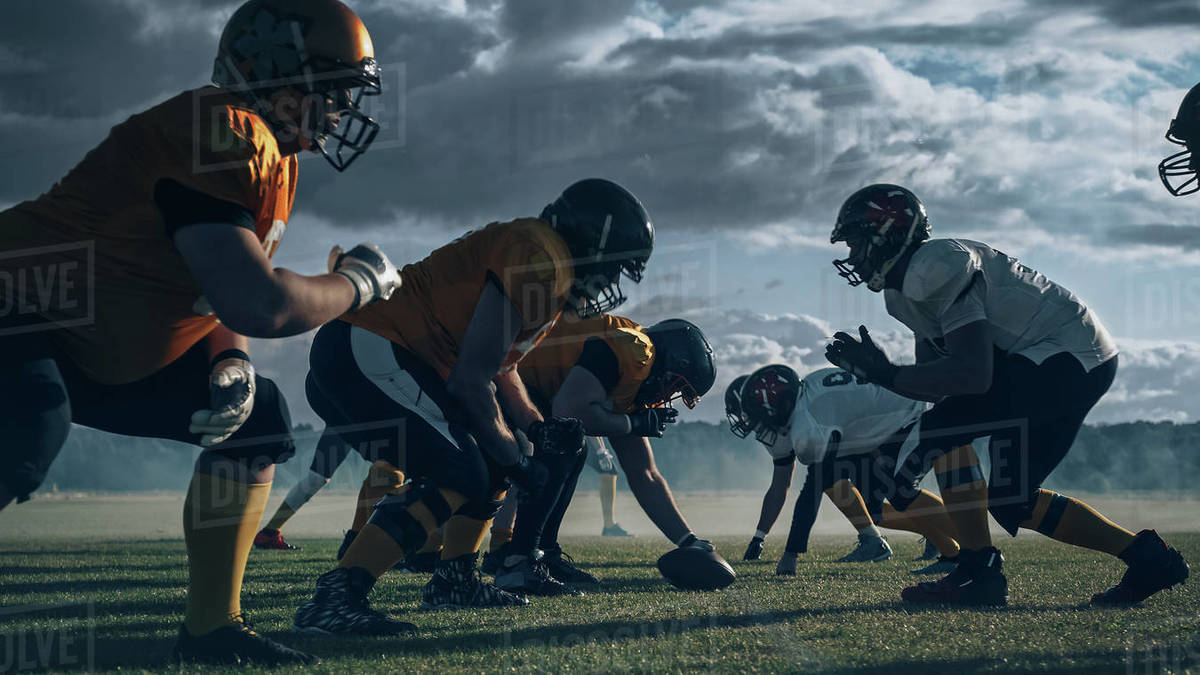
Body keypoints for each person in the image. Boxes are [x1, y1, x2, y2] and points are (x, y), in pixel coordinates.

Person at [0, 0, 402, 665]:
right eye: (330, 87)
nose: (338, 107)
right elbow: (260, 303)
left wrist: (230, 365)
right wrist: (358, 281)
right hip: (20, 300)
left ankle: (212, 626)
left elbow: (216, 290)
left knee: (258, 417)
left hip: (87, 334)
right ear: (271, 70)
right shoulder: (222, 130)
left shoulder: (270, 153)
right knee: (29, 425)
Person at [291, 178, 655, 634]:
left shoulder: (545, 262)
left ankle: (455, 580)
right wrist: (517, 455)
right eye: (615, 267)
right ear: (593, 245)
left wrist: (535, 428)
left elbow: (501, 366)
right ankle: (336, 597)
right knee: (464, 467)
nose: (613, 282)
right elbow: (471, 378)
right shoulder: (541, 257)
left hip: (389, 353)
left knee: (488, 464)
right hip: (373, 346)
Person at [826, 183, 1189, 606]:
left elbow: (971, 375)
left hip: (1062, 356)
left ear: (889, 235)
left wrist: (888, 381)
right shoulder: (902, 294)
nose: (853, 255)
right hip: (1071, 360)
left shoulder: (935, 263)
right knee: (1012, 498)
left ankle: (977, 570)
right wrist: (890, 379)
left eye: (858, 242)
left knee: (941, 432)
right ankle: (1149, 559)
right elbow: (943, 382)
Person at [484, 315, 717, 595]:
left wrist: (688, 540)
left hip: (524, 391)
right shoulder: (636, 350)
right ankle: (518, 563)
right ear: (670, 360)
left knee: (569, 442)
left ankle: (542, 555)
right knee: (566, 441)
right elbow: (568, 408)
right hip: (497, 382)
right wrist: (633, 423)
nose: (669, 396)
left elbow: (645, 474)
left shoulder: (633, 375)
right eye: (675, 386)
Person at [728, 366, 960, 576]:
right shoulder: (806, 398)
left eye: (758, 416)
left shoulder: (810, 422)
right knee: (875, 506)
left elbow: (812, 488)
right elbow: (859, 408)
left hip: (913, 411)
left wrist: (791, 554)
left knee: (901, 489)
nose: (757, 427)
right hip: (883, 423)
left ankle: (973, 549)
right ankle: (951, 550)